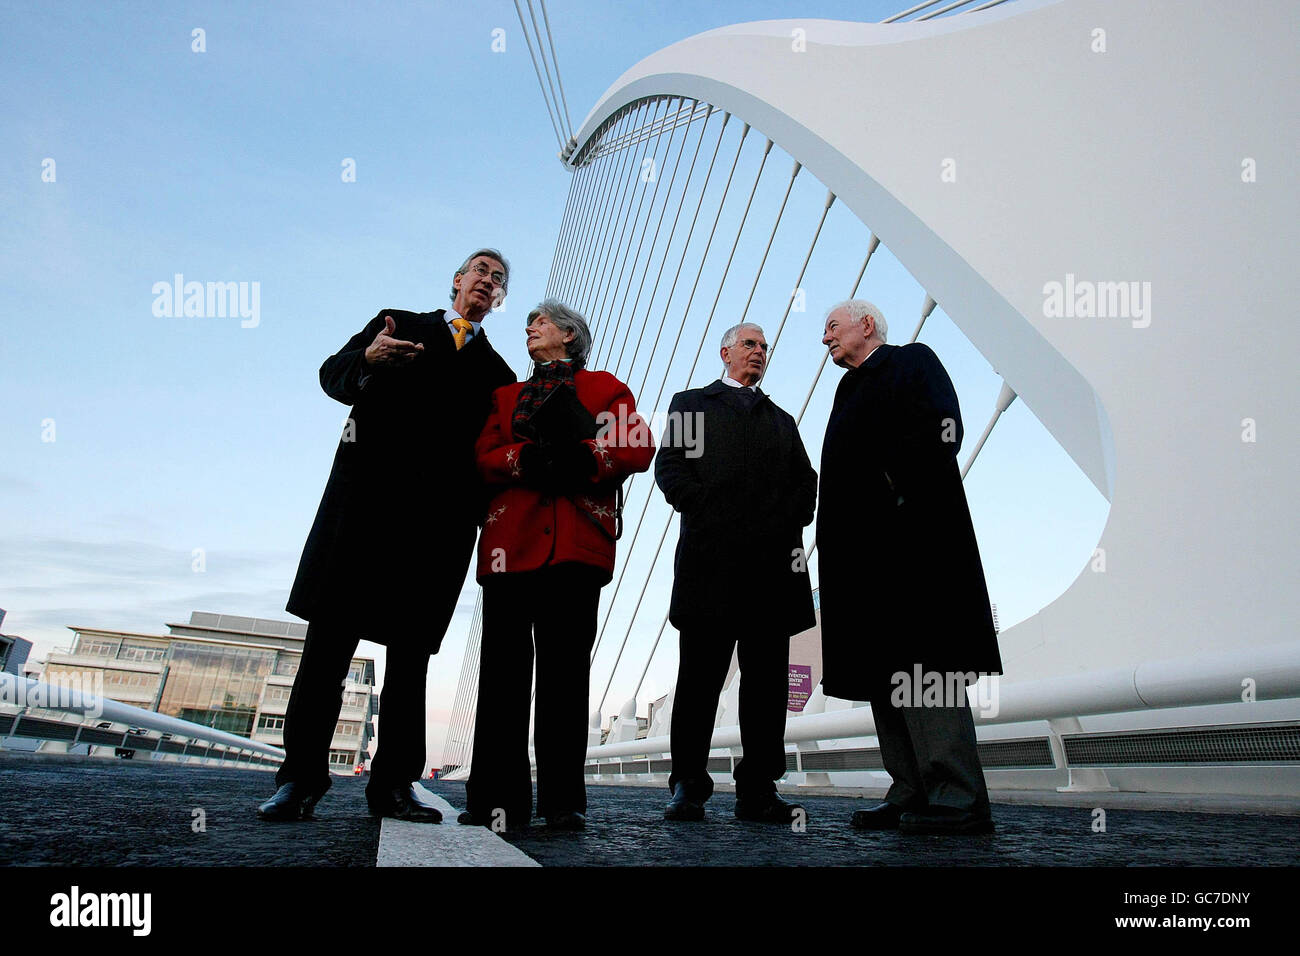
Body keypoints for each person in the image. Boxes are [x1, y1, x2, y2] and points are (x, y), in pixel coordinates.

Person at [258, 249, 516, 823]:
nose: (487, 280)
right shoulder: (397, 322)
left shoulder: (500, 376)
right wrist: (368, 359)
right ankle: (299, 779)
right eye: (480, 270)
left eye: (498, 279)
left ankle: (393, 786)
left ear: (498, 299)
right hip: (364, 512)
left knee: (410, 661)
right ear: (457, 281)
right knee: (327, 649)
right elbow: (333, 374)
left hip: (437, 529)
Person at [460, 299, 654, 831]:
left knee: (565, 676)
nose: (529, 328)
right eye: (527, 323)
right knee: (501, 676)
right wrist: (523, 459)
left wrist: (587, 455)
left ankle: (563, 802)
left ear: (569, 335)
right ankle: (495, 801)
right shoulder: (504, 396)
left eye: (540, 322)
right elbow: (482, 456)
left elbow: (638, 445)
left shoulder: (604, 387)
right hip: (509, 546)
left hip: (575, 546)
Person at [818, 299, 1002, 835]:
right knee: (883, 671)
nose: (824, 339)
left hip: (915, 546)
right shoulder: (845, 389)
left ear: (866, 325)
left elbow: (943, 429)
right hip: (861, 560)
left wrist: (893, 489)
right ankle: (908, 792)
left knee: (927, 666)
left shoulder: (913, 360)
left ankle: (958, 797)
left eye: (832, 327)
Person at [654, 322, 818, 823]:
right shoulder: (691, 403)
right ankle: (688, 784)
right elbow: (670, 466)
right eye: (750, 344)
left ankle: (759, 789)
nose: (759, 352)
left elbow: (806, 482)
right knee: (700, 680)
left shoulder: (782, 419)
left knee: (767, 684)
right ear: (725, 352)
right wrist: (705, 509)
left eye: (764, 347)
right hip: (711, 564)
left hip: (772, 569)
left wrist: (785, 519)